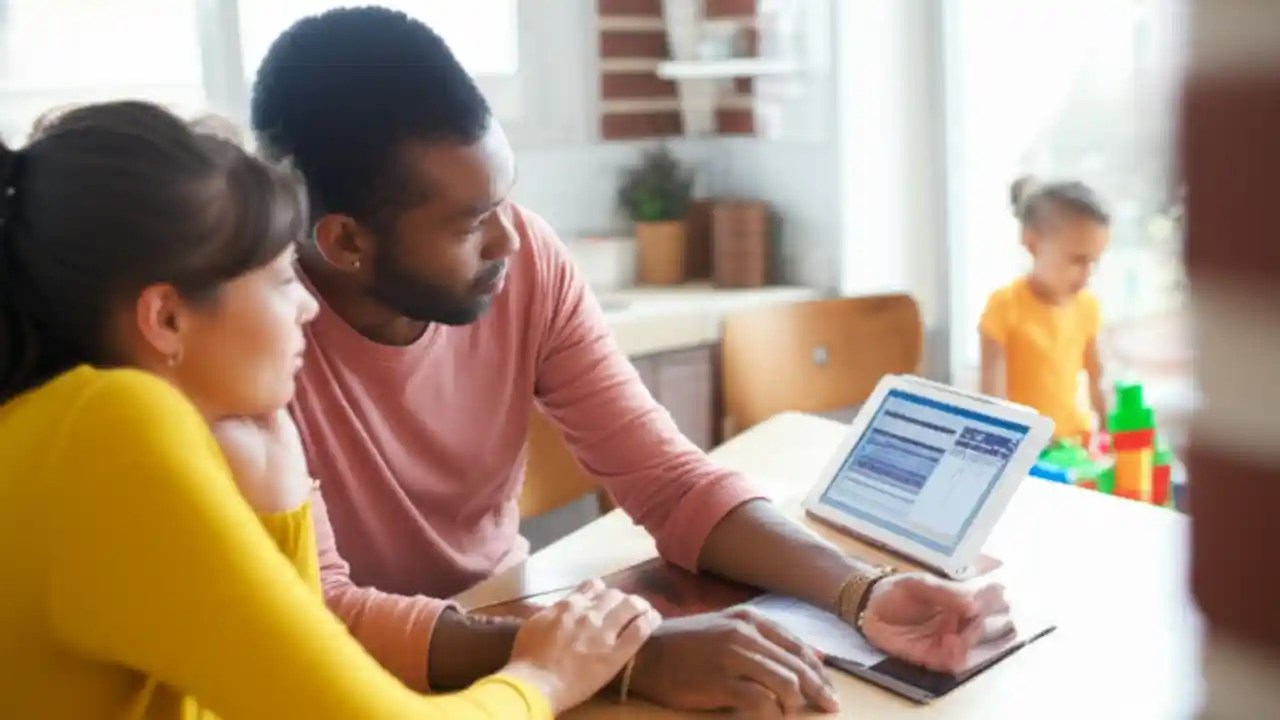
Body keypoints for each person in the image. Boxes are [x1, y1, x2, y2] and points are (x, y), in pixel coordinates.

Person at [252, 7, 1013, 716]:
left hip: (506, 633)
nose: (510, 243)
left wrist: (861, 592)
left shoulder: (529, 260)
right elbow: (324, 618)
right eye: (470, 224)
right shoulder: (250, 343)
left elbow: (668, 480)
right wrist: (628, 658)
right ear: (345, 242)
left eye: (505, 201)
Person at [0, 101, 659, 719]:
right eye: (284, 279)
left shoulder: (74, 423)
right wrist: (543, 675)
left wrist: (281, 497)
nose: (309, 307)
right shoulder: (112, 426)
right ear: (167, 317)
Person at [980, 176, 1112, 441]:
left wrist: (1115, 438)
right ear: (1031, 243)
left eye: (1093, 263)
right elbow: (993, 402)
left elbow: (1098, 381)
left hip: (1076, 445)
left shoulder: (1087, 307)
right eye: (1077, 260)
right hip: (1027, 450)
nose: (1087, 274)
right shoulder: (1004, 307)